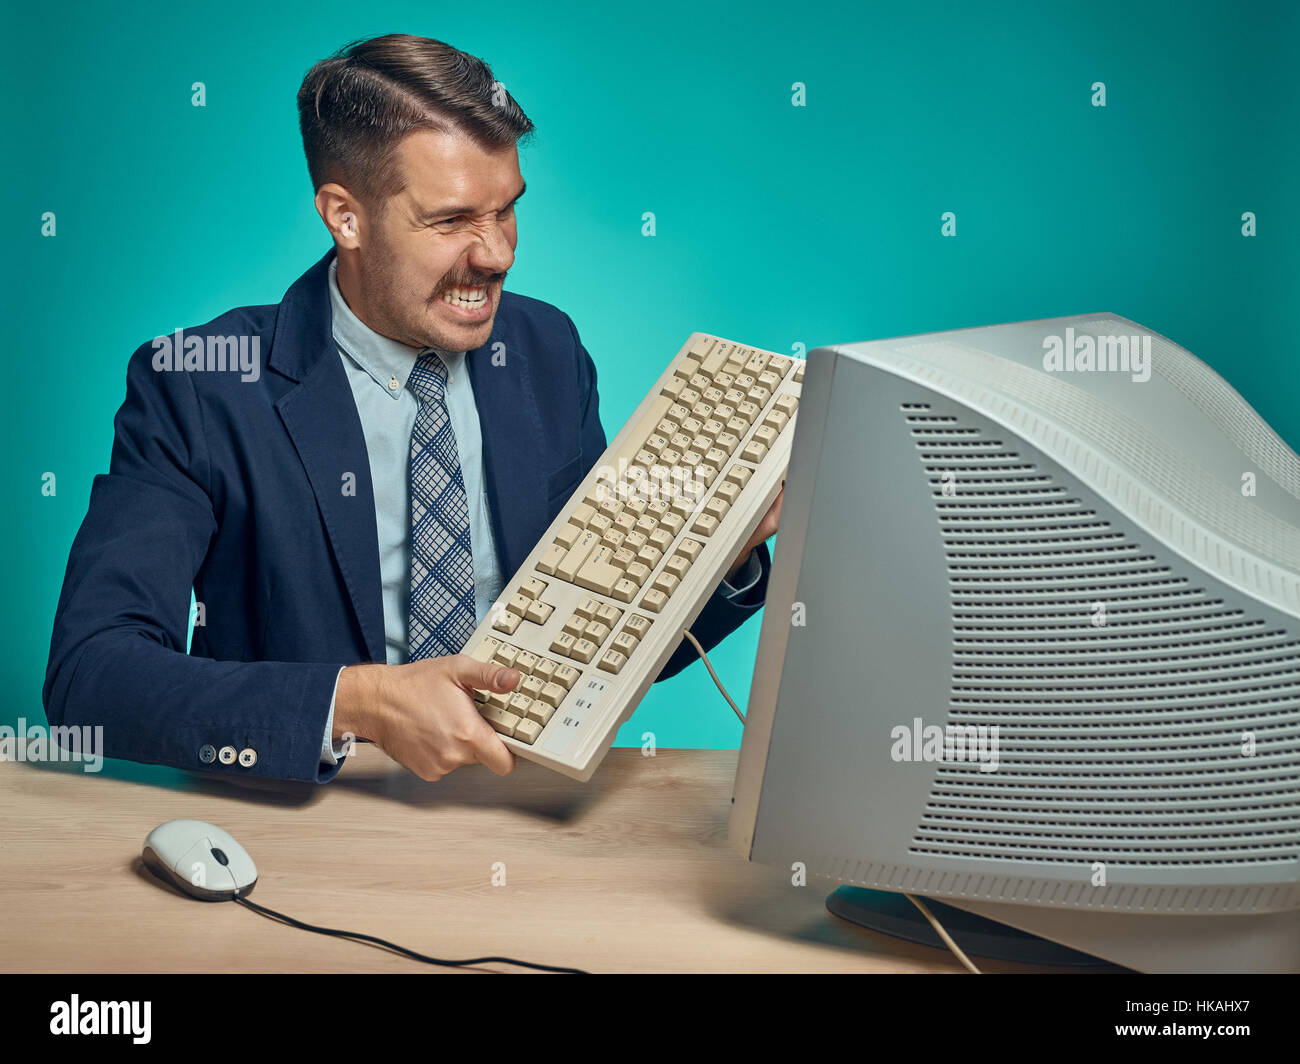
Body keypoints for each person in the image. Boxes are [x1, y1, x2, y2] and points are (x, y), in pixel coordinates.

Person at [44, 33, 782, 785]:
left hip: (531, 805)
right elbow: (91, 678)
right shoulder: (200, 387)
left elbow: (600, 637)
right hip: (313, 822)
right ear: (345, 217)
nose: (496, 254)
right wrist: (355, 702)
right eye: (452, 220)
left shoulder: (546, 348)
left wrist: (719, 549)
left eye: (507, 211)